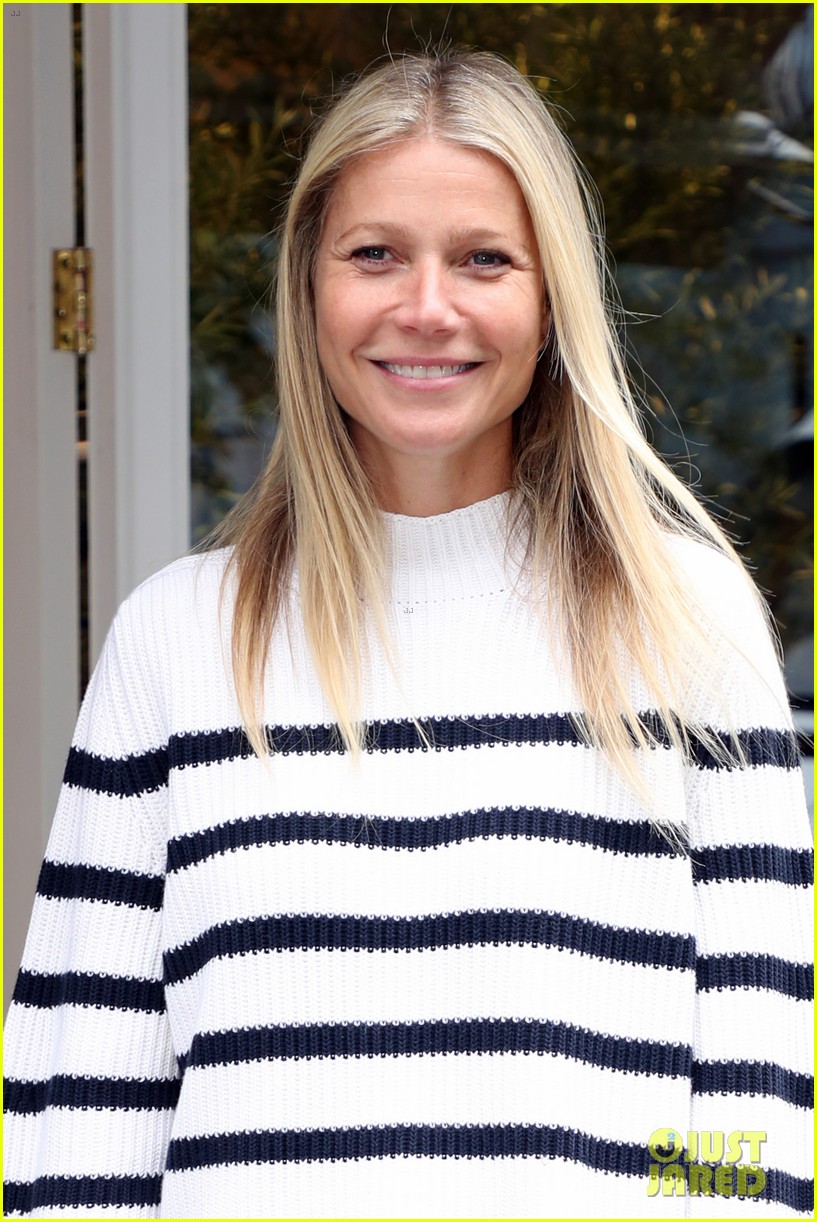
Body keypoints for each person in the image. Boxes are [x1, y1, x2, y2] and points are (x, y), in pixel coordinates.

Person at [3, 50, 812, 1220]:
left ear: (550, 301)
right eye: (373, 253)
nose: (425, 306)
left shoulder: (687, 620)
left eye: (484, 258)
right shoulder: (171, 643)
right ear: (308, 288)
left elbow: (751, 1099)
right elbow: (83, 1106)